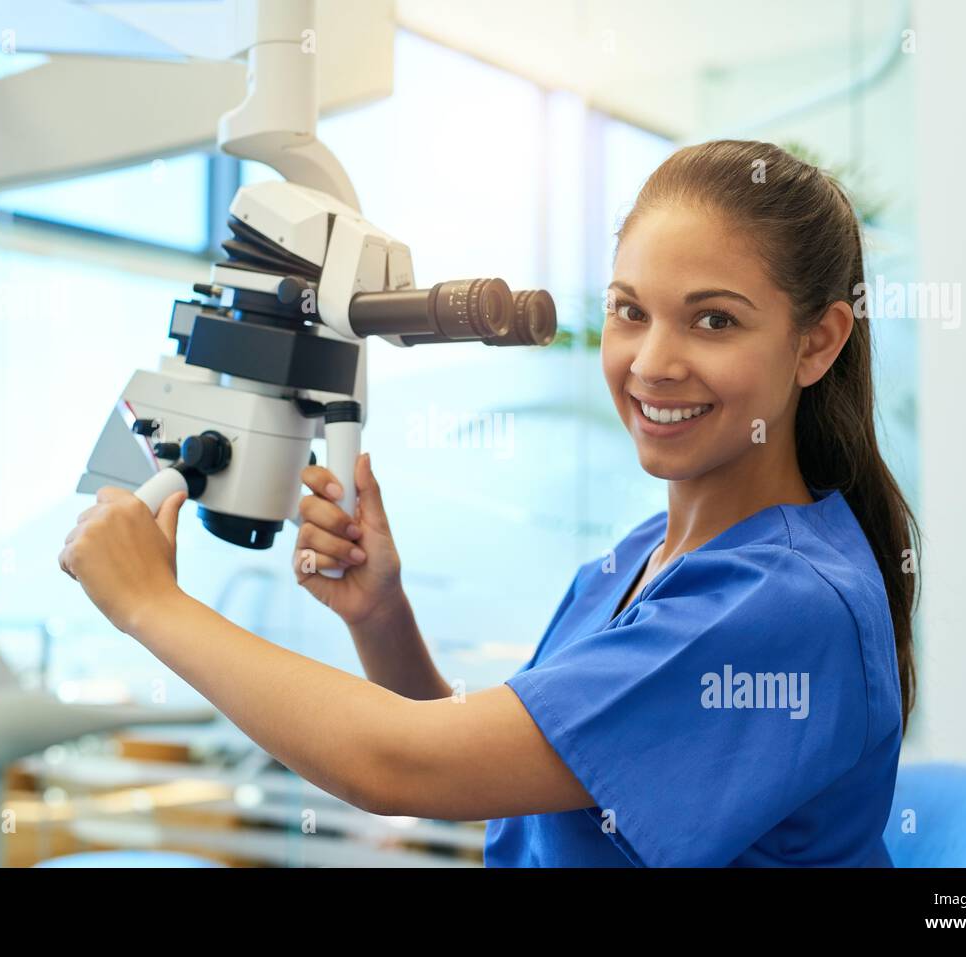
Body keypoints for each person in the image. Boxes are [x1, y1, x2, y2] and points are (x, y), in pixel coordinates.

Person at [59, 139, 920, 866]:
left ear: (817, 342)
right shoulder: (635, 562)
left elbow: (404, 768)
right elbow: (492, 770)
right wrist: (382, 616)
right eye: (630, 312)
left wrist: (149, 604)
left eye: (714, 321)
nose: (653, 362)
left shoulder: (781, 606)